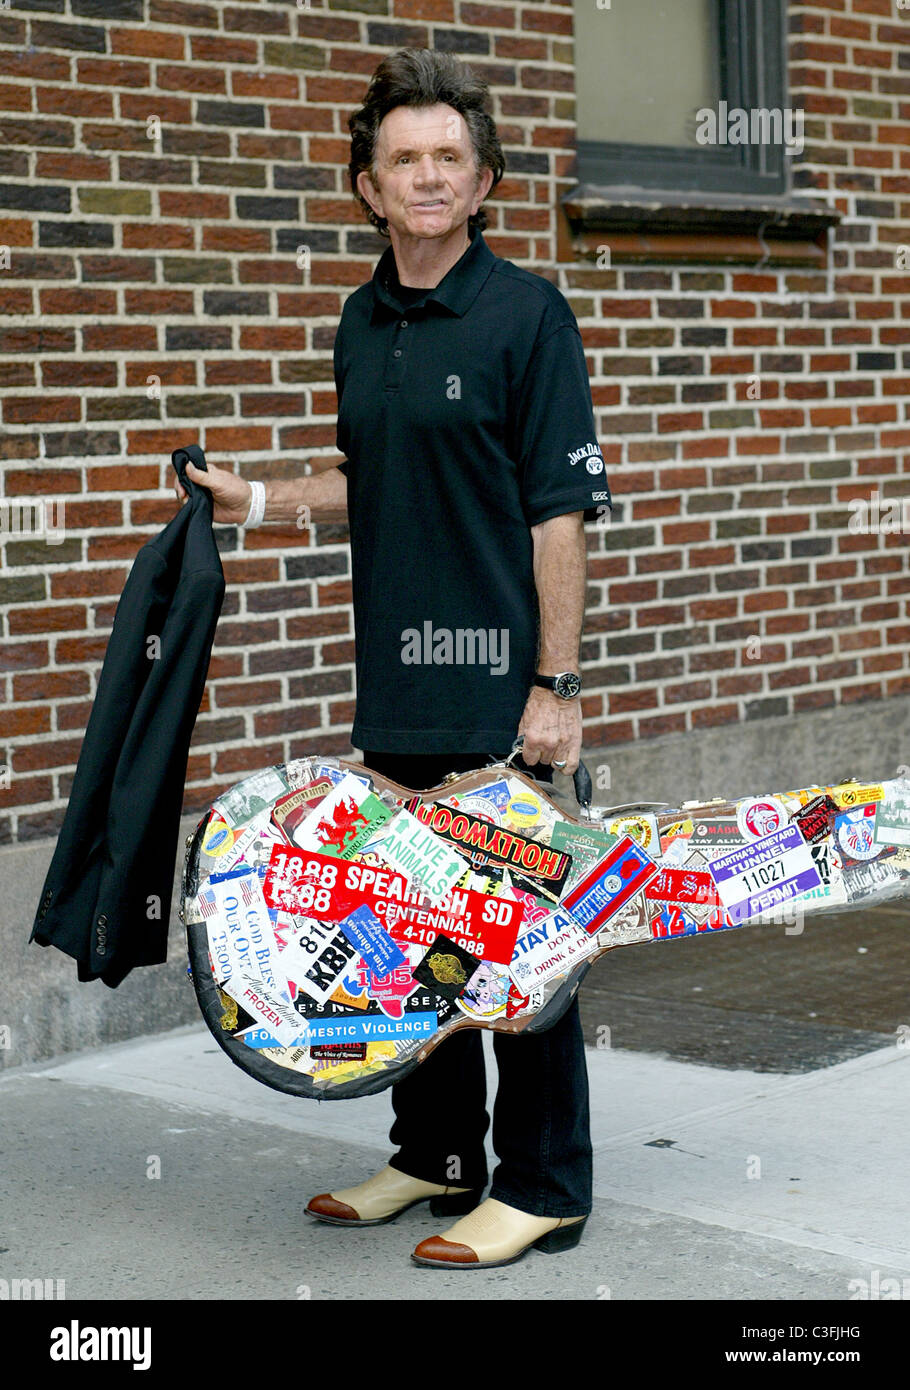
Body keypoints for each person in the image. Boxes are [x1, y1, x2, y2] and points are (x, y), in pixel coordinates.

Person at [174, 47, 612, 1270]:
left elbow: (555, 515)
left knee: (520, 943)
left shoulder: (527, 313)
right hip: (400, 679)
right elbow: (372, 476)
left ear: (481, 183)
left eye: (448, 160)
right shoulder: (363, 321)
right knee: (413, 927)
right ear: (367, 185)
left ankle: (542, 1185)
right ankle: (436, 1155)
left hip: (500, 688)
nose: (426, 178)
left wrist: (555, 687)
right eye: (402, 159)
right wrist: (253, 494)